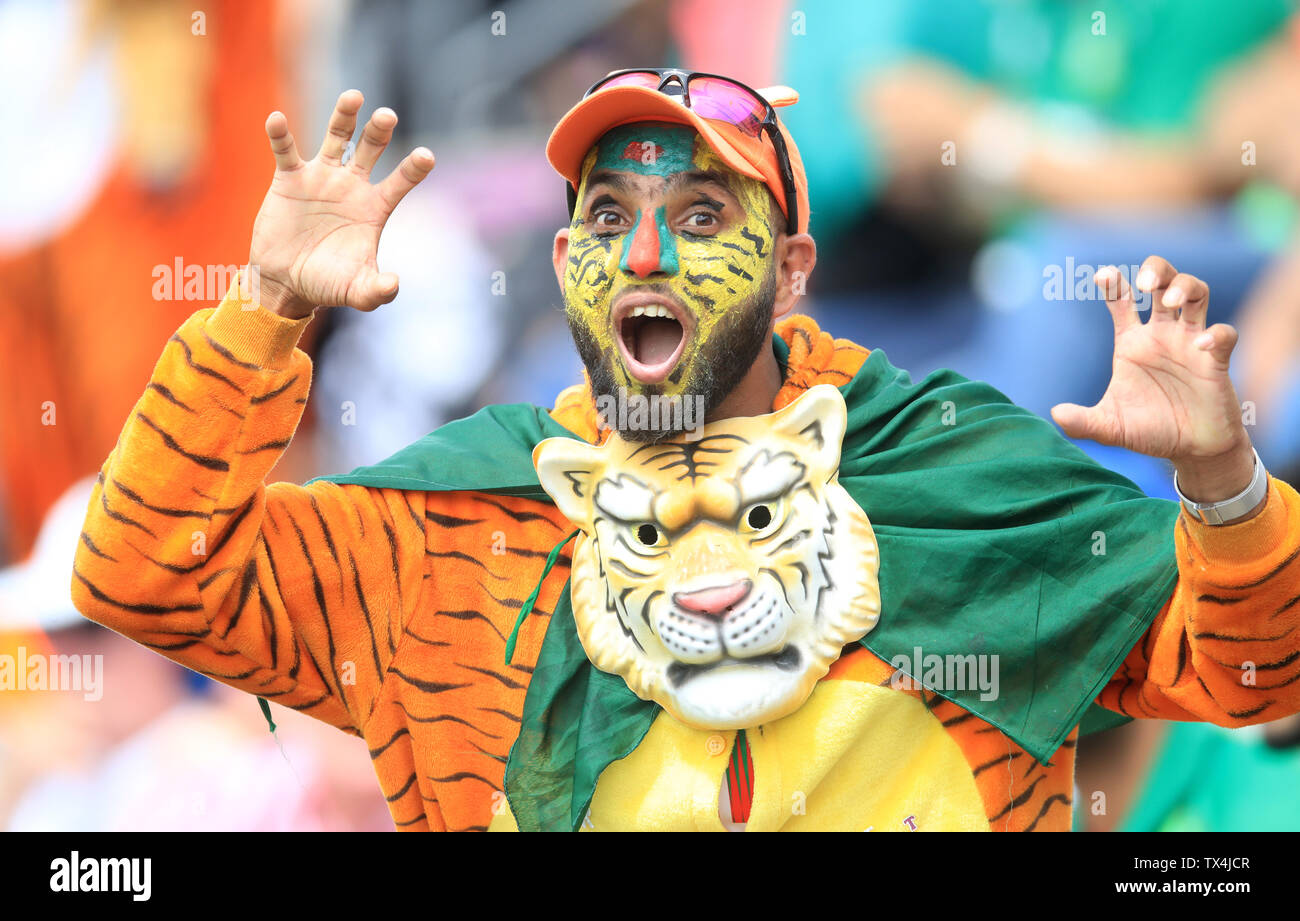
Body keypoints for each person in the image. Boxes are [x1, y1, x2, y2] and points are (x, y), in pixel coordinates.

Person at [73, 70, 1300, 832]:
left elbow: (1257, 677)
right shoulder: (464, 518)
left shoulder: (953, 473)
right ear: (564, 269)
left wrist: (1223, 486)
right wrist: (265, 310)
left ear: (792, 270)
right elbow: (144, 573)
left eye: (702, 218)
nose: (645, 258)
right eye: (608, 220)